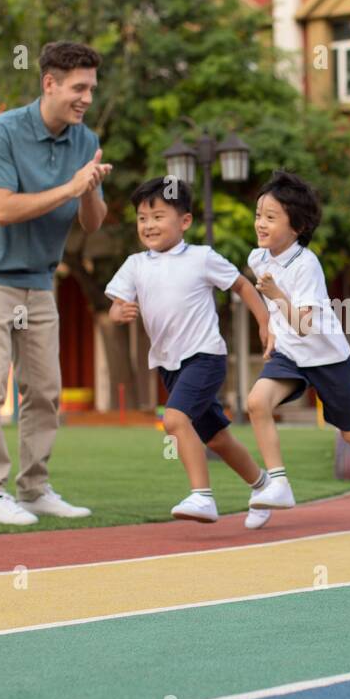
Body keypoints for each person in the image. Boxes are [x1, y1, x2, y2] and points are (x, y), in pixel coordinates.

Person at [0, 41, 109, 526]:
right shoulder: (2, 131)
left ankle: (35, 488)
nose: (86, 98)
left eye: (91, 89)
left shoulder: (85, 140)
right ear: (50, 83)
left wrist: (87, 189)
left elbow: (94, 223)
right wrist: (69, 186)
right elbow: (3, 209)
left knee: (44, 390)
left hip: (40, 280)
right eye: (78, 88)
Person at [245, 171, 350, 532]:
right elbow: (277, 312)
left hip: (326, 358)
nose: (260, 223)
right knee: (257, 403)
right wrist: (271, 326)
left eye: (271, 217)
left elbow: (304, 325)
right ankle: (277, 484)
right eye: (259, 214)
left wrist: (277, 298)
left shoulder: (306, 265)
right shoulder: (257, 259)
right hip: (290, 356)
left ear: (297, 226)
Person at [105, 177, 277, 529]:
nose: (148, 225)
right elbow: (117, 304)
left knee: (174, 420)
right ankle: (263, 487)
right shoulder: (135, 264)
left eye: (158, 216)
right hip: (168, 364)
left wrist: (265, 322)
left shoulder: (201, 258)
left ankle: (203, 496)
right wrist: (117, 313)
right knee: (217, 437)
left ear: (184, 221)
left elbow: (242, 286)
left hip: (205, 356)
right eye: (142, 218)